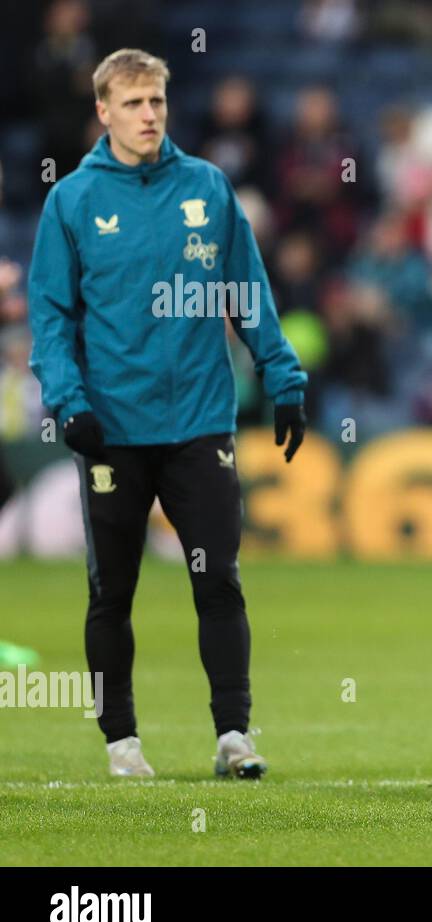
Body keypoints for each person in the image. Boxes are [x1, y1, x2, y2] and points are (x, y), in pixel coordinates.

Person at [26, 49, 307, 778]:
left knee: (218, 581)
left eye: (156, 101)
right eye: (133, 103)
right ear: (104, 112)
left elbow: (248, 292)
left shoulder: (207, 188)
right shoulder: (74, 201)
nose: (148, 115)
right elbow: (51, 316)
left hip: (199, 425)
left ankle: (233, 738)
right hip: (112, 429)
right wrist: (69, 401)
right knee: (111, 593)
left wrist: (284, 376)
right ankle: (122, 742)